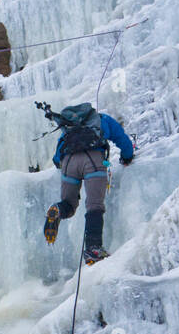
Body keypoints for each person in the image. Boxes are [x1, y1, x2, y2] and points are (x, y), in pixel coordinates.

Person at [42, 103, 135, 264]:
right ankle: (93, 249)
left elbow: (58, 155)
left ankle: (58, 209)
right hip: (93, 161)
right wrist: (127, 157)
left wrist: (61, 164)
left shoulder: (70, 127)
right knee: (94, 206)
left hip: (69, 162)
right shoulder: (102, 119)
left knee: (69, 205)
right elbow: (122, 139)